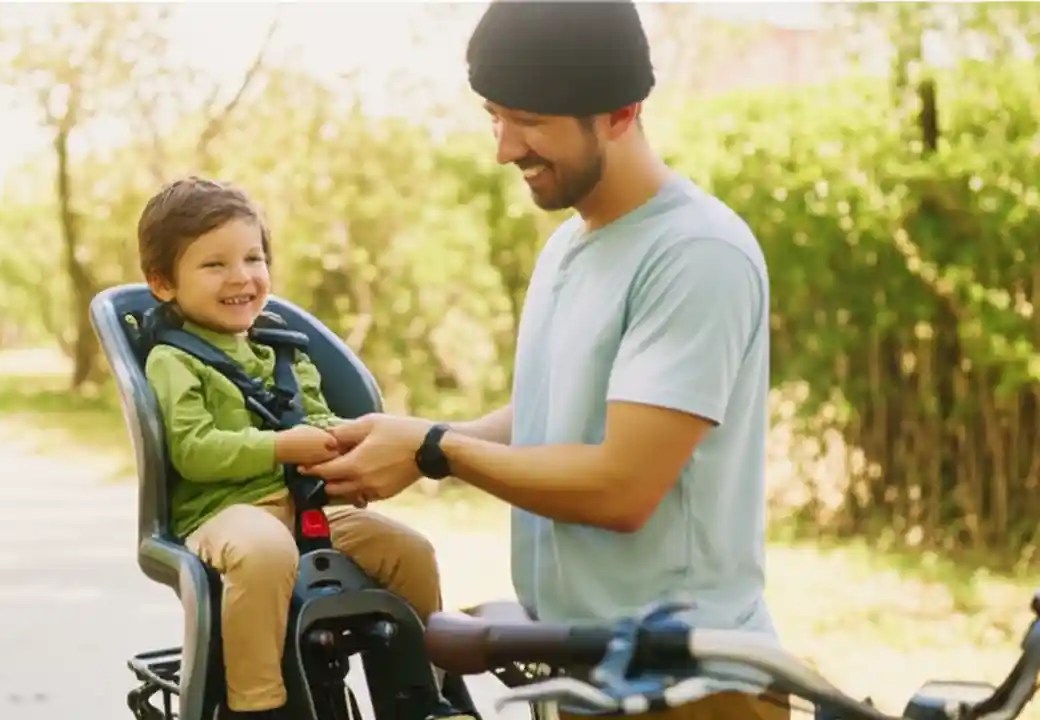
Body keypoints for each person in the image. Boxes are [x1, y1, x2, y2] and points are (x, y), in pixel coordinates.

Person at [301, 2, 787, 719]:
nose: (504, 148)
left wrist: (438, 451)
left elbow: (622, 487)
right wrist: (416, 436)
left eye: (529, 119)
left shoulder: (694, 254)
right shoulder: (571, 245)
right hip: (592, 673)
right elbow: (557, 413)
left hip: (688, 687)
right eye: (493, 115)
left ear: (621, 113)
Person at [137, 177, 451, 720]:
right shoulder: (173, 361)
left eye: (253, 258)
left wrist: (346, 439)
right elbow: (193, 450)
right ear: (164, 283)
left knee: (409, 550)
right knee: (265, 551)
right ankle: (259, 707)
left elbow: (318, 417)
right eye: (215, 265)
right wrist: (283, 446)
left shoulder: (283, 348)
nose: (241, 277)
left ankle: (423, 694)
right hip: (224, 515)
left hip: (306, 511)